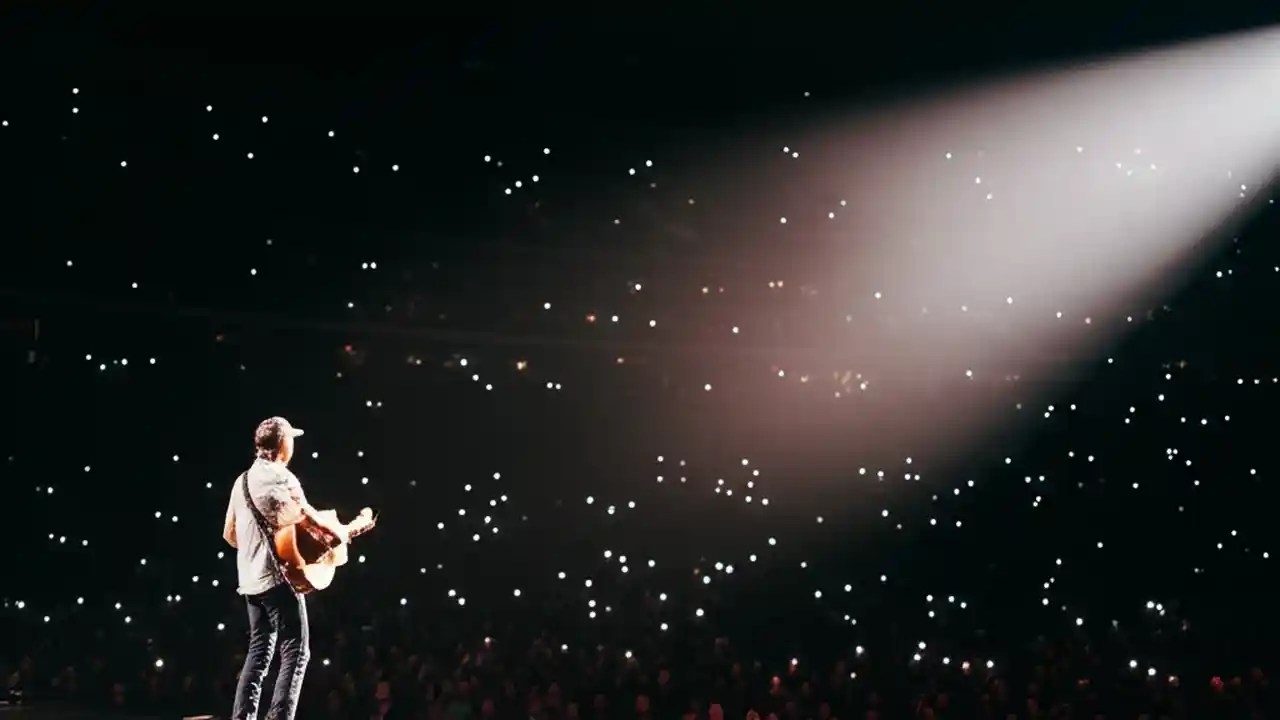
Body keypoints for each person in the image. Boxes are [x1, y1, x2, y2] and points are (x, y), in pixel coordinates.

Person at [223, 416, 341, 720]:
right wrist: (336, 535)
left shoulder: (242, 481)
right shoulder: (282, 477)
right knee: (297, 650)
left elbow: (230, 535)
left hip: (249, 581)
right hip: (277, 579)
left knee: (259, 651)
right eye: (291, 439)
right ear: (282, 444)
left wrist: (257, 543)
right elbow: (307, 517)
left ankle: (243, 717)